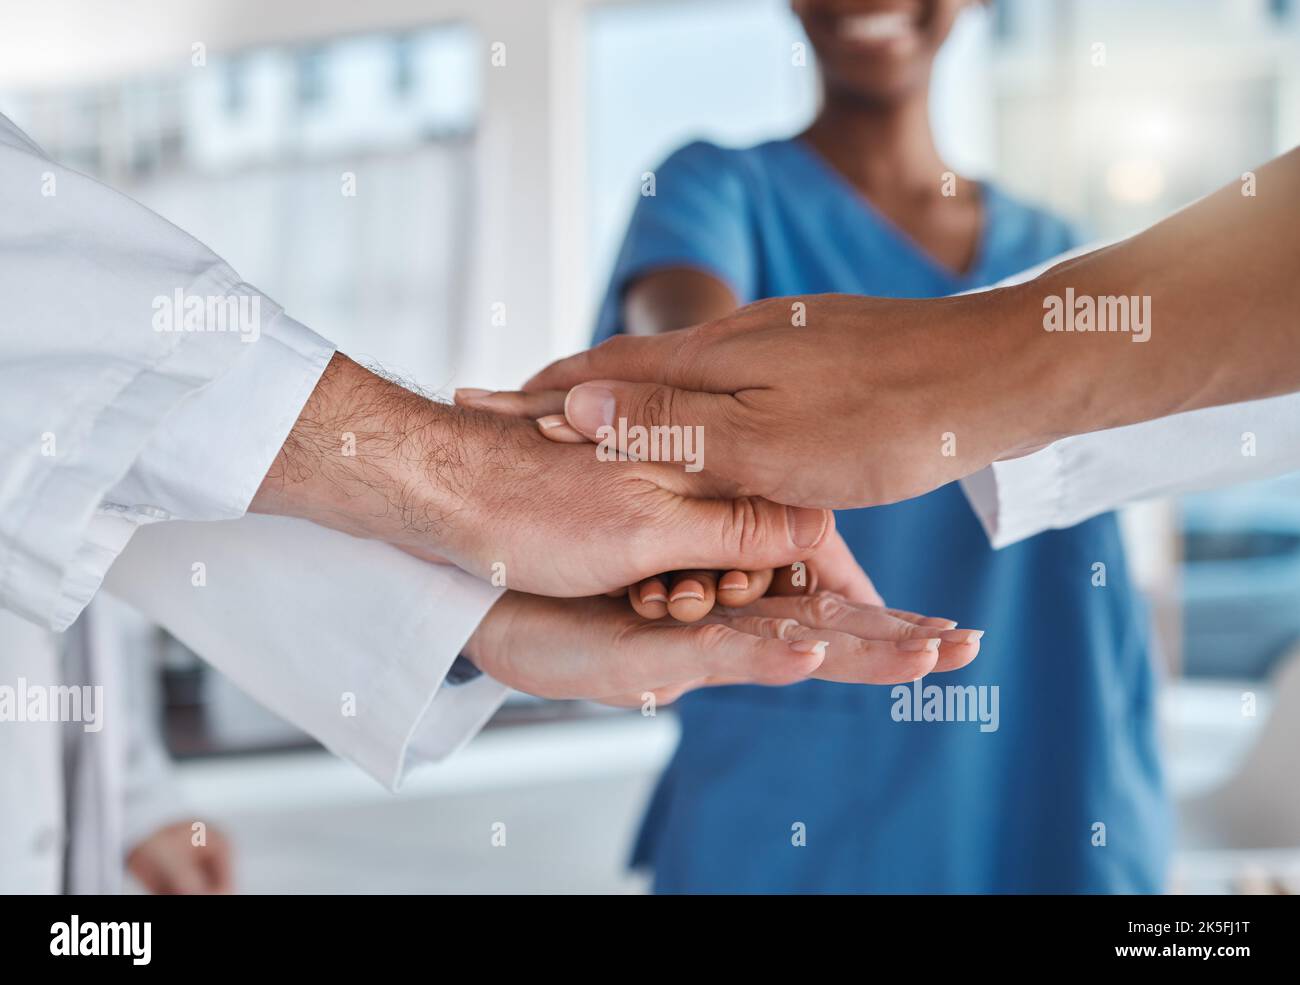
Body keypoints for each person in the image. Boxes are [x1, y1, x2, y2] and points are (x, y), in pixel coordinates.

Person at [0, 100, 980, 896]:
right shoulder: (712, 188)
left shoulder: (1037, 256)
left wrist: (479, 611)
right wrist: (472, 477)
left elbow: (86, 472)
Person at [467, 0, 1169, 892]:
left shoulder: (1057, 255)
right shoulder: (717, 187)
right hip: (804, 771)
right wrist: (690, 416)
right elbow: (680, 337)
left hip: (1045, 738)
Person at [516, 138, 1300, 512]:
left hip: (1051, 674)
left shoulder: (1055, 239)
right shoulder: (718, 184)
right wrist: (694, 440)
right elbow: (682, 336)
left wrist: (941, 380)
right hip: (791, 695)